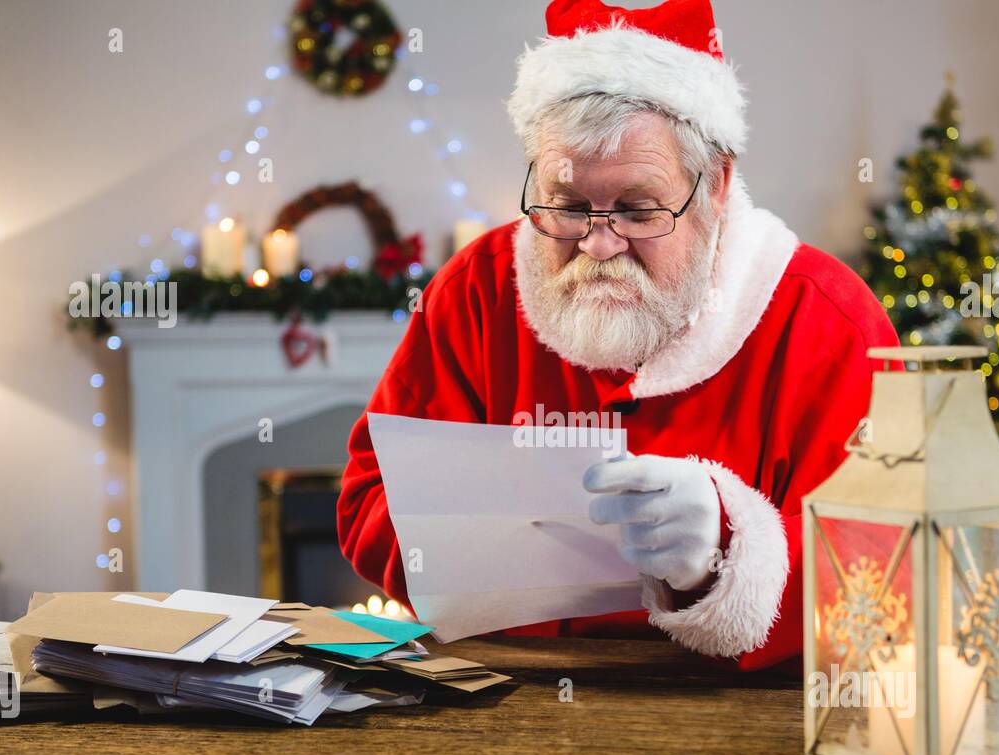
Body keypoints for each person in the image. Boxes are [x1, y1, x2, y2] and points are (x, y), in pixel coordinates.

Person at [337, 0, 897, 671]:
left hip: (743, 729)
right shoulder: (475, 291)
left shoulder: (827, 321)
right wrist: (482, 542)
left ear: (714, 186)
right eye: (569, 206)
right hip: (509, 710)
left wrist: (728, 552)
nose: (599, 246)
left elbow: (882, 567)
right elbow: (369, 497)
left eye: (637, 210)